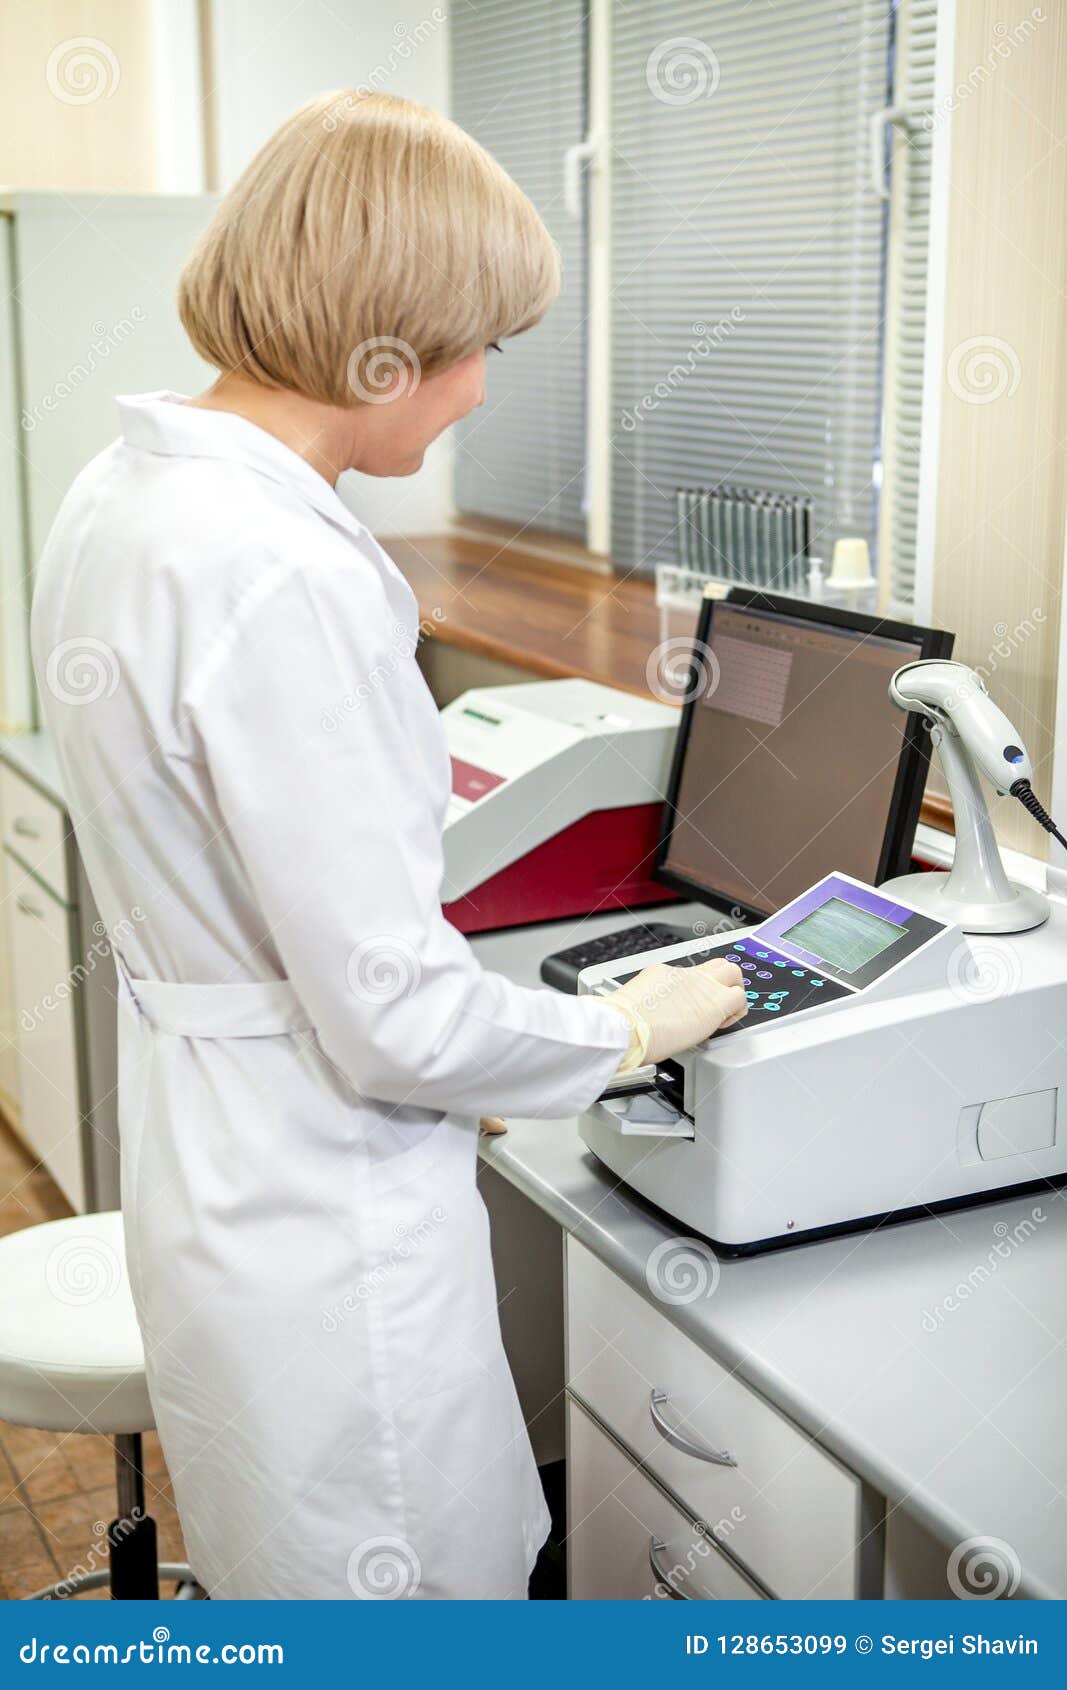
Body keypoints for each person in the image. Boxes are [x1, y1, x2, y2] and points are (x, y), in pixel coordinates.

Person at [31, 92, 746, 1600]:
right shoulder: (280, 571)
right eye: (480, 342)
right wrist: (620, 1023)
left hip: (222, 1162)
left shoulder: (127, 491)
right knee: (414, 1587)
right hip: (322, 1215)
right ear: (388, 333)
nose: (484, 387)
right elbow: (393, 1013)